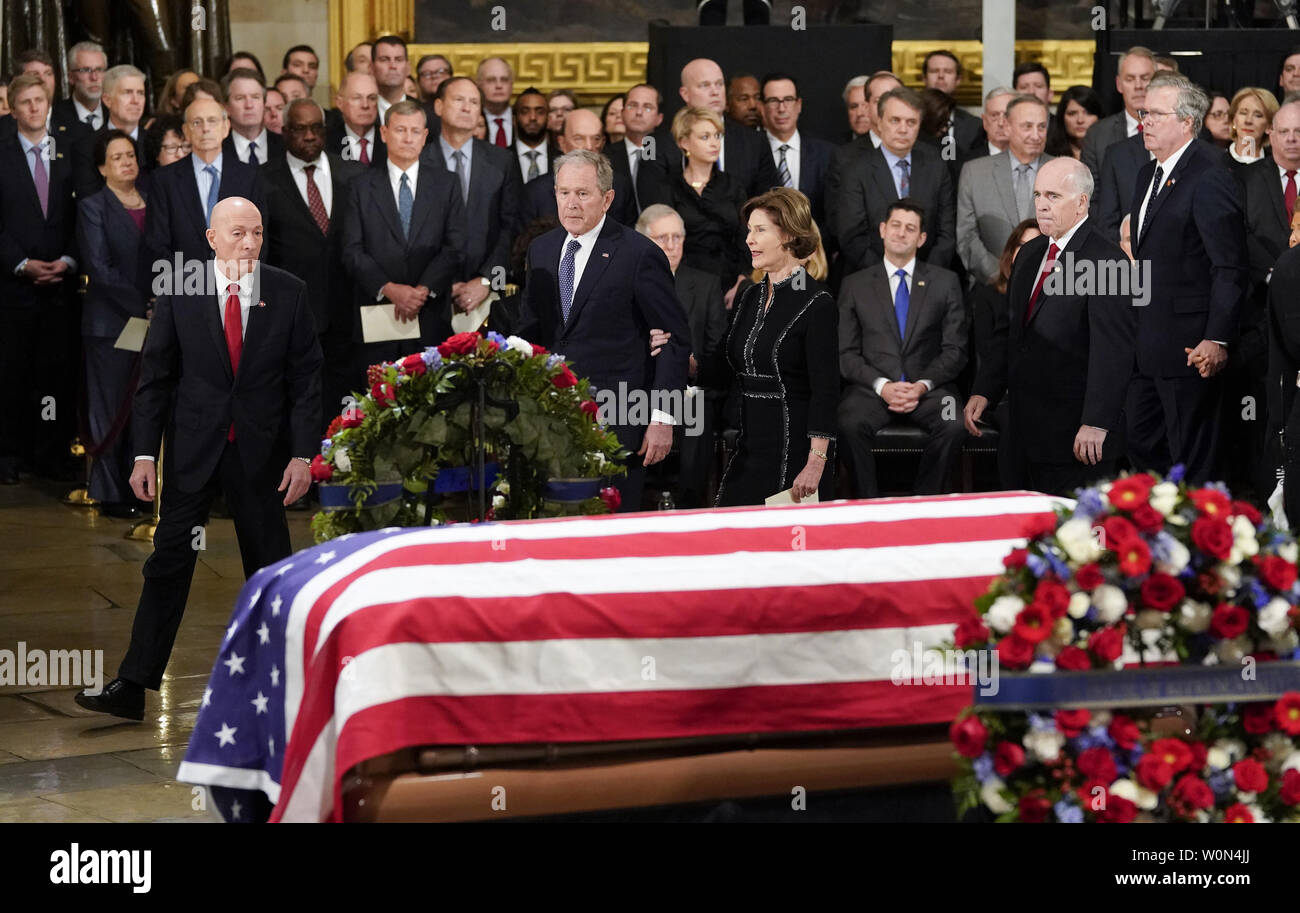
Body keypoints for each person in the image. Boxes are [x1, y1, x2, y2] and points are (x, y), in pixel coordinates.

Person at [75, 196, 323, 722]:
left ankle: (285, 679)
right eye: (237, 233)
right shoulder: (179, 291)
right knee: (168, 564)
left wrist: (304, 454)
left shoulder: (287, 292)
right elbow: (156, 379)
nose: (250, 243)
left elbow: (306, 381)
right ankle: (134, 684)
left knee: (272, 571)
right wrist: (144, 455)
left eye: (256, 233)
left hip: (260, 456)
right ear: (211, 239)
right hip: (192, 451)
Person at [510, 149, 690, 511]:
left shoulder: (638, 254)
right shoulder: (541, 250)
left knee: (613, 536)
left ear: (607, 198)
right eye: (564, 193)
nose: (571, 203)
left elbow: (674, 339)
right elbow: (532, 333)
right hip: (553, 421)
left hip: (620, 418)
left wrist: (662, 419)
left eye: (582, 193)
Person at [964, 157, 1135, 495]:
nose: (1041, 205)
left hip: (1074, 434)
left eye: (1053, 196)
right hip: (1021, 429)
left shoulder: (1107, 261)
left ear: (1082, 202)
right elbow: (1011, 332)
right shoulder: (1028, 253)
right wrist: (986, 388)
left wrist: (1097, 421)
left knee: (1071, 536)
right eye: (1039, 195)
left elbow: (1113, 352)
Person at [1125, 72, 1248, 485]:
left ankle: (1190, 545)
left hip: (1191, 350)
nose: (1145, 121)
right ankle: (1149, 539)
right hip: (1146, 346)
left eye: (1156, 114)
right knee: (1143, 447)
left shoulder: (1210, 173)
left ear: (1187, 122)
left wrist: (1217, 337)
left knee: (1190, 464)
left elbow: (1229, 266)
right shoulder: (1147, 175)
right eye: (1143, 113)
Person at [837, 199, 968, 499]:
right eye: (895, 225)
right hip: (871, 389)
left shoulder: (945, 282)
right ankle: (869, 508)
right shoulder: (854, 285)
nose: (901, 233)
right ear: (883, 230)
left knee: (953, 422)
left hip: (930, 389)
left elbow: (955, 349)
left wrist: (921, 386)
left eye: (911, 228)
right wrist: (882, 386)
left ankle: (924, 504)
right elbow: (846, 353)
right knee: (848, 423)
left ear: (921, 238)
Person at [716, 188, 837, 505]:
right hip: (749, 444)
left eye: (760, 230)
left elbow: (826, 391)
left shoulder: (817, 302)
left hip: (794, 450)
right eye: (748, 231)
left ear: (787, 235)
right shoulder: (750, 296)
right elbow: (721, 364)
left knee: (784, 548)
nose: (749, 240)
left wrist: (815, 463)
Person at [340, 100, 466, 372]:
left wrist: (422, 291)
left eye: (415, 131)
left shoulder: (447, 183)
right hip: (377, 316)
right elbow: (351, 250)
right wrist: (389, 288)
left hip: (430, 314)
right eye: (400, 130)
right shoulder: (359, 186)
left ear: (424, 136)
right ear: (384, 134)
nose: (408, 137)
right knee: (379, 404)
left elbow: (455, 247)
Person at [263, 98, 365, 433]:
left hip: (347, 315)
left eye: (316, 128)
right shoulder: (264, 180)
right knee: (302, 408)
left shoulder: (354, 175)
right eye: (300, 129)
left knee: (347, 410)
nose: (309, 136)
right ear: (285, 131)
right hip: (294, 315)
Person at [0, 73, 80, 485]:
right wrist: (20, 262)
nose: (34, 108)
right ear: (12, 108)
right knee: (12, 374)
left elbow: (82, 209)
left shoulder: (68, 148)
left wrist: (67, 259)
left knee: (56, 375)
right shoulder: (2, 151)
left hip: (62, 285)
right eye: (25, 102)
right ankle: (10, 455)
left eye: (39, 100)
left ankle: (50, 455)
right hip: (12, 287)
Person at [77, 130, 149, 518]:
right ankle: (108, 492)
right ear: (102, 166)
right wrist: (144, 305)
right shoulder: (93, 207)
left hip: (151, 320)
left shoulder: (152, 200)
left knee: (142, 405)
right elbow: (99, 269)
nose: (126, 162)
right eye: (117, 157)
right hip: (111, 323)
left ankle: (140, 488)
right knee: (110, 407)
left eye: (130, 154)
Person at [637, 203, 726, 508]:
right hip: (638, 388)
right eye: (663, 238)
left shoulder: (706, 284)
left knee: (698, 412)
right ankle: (634, 507)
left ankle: (690, 509)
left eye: (678, 237)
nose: (672, 246)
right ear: (644, 241)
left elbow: (718, 352)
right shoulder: (626, 282)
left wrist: (691, 366)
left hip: (690, 391)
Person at [832, 86, 956, 276]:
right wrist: (890, 276)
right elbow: (852, 237)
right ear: (879, 122)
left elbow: (946, 232)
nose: (903, 129)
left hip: (928, 280)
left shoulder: (936, 167)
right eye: (895, 120)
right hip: (872, 281)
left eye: (911, 122)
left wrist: (923, 275)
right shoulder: (855, 170)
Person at [427, 77, 523, 320]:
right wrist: (437, 283)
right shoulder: (419, 158)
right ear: (438, 107)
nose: (467, 107)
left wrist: (488, 279)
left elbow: (511, 229)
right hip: (427, 296)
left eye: (474, 102)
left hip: (486, 297)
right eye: (459, 100)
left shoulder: (503, 161)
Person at [144, 96, 266, 270]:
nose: (205, 129)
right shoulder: (164, 180)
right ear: (186, 131)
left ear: (226, 127)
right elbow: (156, 243)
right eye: (197, 123)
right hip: (184, 286)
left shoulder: (249, 177)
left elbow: (260, 238)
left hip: (239, 285)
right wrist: (186, 284)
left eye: (212, 121)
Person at [966, 217, 1040, 488]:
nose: (1027, 251)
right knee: (1014, 418)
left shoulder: (1052, 292)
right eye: (1021, 244)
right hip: (1002, 393)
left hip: (1039, 390)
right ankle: (1014, 494)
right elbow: (990, 351)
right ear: (1011, 250)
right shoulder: (989, 294)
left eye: (1035, 245)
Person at [650, 105, 747, 302]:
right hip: (682, 284)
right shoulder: (668, 188)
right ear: (684, 142)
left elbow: (746, 235)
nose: (714, 144)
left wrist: (742, 281)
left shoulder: (733, 186)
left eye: (717, 136)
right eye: (705, 137)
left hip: (730, 283)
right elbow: (659, 240)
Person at [957, 94, 1053, 285]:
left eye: (1041, 127)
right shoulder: (974, 172)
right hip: (990, 289)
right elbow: (967, 237)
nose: (1036, 135)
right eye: (1027, 126)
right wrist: (1001, 277)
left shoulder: (1063, 170)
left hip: (1049, 289)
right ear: (1007, 127)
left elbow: (1072, 234)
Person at [650, 58, 780, 199]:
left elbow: (769, 200)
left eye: (719, 84)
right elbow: (652, 204)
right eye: (705, 85)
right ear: (685, 94)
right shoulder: (654, 144)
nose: (715, 92)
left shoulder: (755, 142)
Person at [520, 107, 637, 229]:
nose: (589, 146)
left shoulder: (620, 187)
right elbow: (526, 244)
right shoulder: (536, 192)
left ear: (603, 143)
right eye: (579, 138)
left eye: (596, 139)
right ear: (562, 143)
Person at [761, 73, 833, 229]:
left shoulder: (826, 154)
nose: (781, 108)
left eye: (788, 99)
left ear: (799, 104)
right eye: (773, 101)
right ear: (762, 107)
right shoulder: (751, 152)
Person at [1081, 46, 1154, 187]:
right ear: (1119, 84)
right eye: (1130, 79)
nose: (1138, 86)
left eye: (1145, 78)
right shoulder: (1097, 135)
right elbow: (1090, 194)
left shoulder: (1175, 129)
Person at [71, 64, 147, 199]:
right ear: (107, 100)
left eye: (140, 93)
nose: (136, 101)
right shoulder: (86, 148)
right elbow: (89, 201)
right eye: (127, 93)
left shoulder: (155, 142)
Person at [609, 83, 667, 212]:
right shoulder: (605, 156)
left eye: (647, 107)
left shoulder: (673, 156)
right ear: (622, 113)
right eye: (632, 106)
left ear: (659, 118)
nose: (639, 112)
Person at [923, 50, 985, 160]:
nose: (941, 76)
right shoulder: (910, 119)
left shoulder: (975, 126)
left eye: (948, 71)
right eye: (934, 71)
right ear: (924, 78)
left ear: (958, 80)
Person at [221, 68, 283, 166]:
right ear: (226, 107)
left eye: (255, 97)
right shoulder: (217, 150)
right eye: (240, 98)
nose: (249, 105)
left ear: (264, 103)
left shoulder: (286, 146)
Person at [327, 71, 384, 167]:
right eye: (357, 98)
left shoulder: (390, 140)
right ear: (340, 103)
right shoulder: (327, 142)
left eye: (372, 98)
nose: (365, 105)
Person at [58, 41, 107, 135]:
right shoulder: (54, 117)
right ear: (71, 77)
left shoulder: (115, 115)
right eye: (85, 70)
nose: (94, 77)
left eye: (99, 70)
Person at [1225, 87, 1277, 172]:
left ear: (1269, 126)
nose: (1248, 121)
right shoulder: (1215, 161)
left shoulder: (1277, 166)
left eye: (1258, 115)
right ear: (1234, 119)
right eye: (1243, 113)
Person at [1045, 85, 1102, 160]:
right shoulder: (1048, 152)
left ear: (1099, 117)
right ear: (1062, 117)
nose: (1080, 120)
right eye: (1072, 113)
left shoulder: (1110, 151)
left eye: (1088, 113)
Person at [512, 86, 552, 184]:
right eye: (525, 112)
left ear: (549, 118)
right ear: (514, 119)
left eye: (540, 112)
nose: (533, 117)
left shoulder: (562, 158)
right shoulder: (499, 160)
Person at [373, 35, 413, 124]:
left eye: (399, 60)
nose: (393, 66)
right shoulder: (361, 111)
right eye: (384, 60)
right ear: (371, 68)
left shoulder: (427, 114)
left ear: (408, 68)